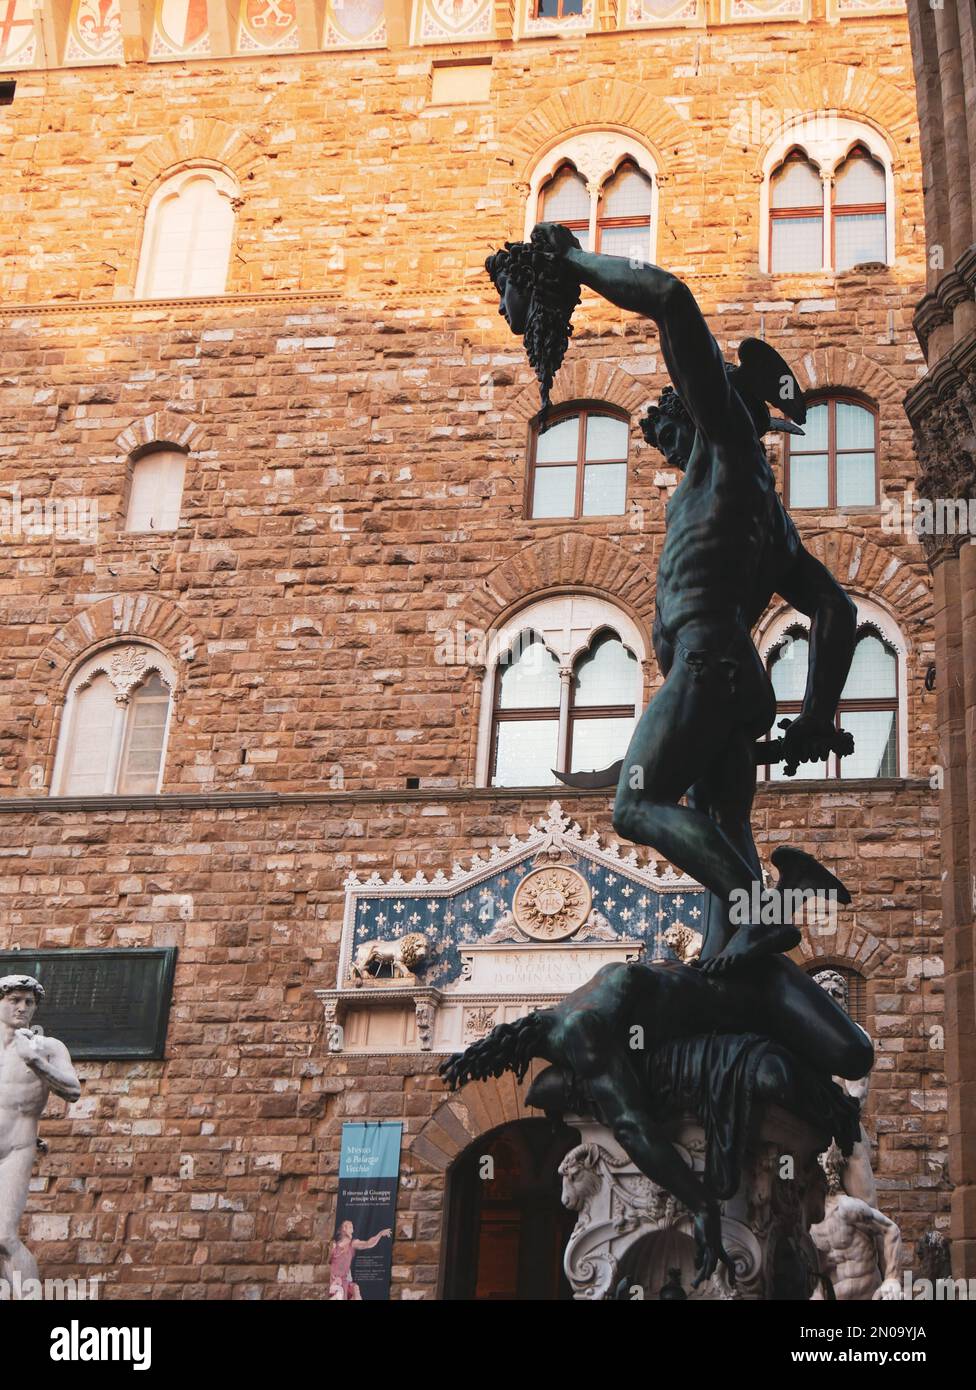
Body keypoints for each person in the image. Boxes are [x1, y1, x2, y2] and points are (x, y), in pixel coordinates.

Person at [488, 226, 857, 977]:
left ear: (709, 408)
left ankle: (763, 906)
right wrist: (816, 714)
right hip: (736, 679)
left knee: (635, 805)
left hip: (705, 660)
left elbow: (672, 299)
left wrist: (572, 264)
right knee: (721, 825)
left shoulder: (728, 445)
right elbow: (834, 610)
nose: (665, 446)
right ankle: (737, 965)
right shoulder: (771, 519)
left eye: (670, 429)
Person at [441, 953, 871, 1286]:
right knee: (845, 1057)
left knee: (854, 1054)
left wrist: (702, 1204)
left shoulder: (582, 1033)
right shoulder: (587, 996)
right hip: (736, 991)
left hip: (755, 999)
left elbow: (632, 1127)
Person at [0, 975, 81, 1294]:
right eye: (14, 1000)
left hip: (14, 1151)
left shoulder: (47, 1048)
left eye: (28, 1002)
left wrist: (35, 1062)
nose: (22, 1008)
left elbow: (73, 1091)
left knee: (4, 1238)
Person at [328, 1219, 393, 1300]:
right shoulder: (334, 1246)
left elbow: (368, 1243)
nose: (353, 1230)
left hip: (345, 1282)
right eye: (350, 1227)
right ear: (344, 1228)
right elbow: (330, 1264)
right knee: (341, 1294)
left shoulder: (352, 1243)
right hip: (335, 1284)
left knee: (355, 1289)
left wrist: (379, 1234)